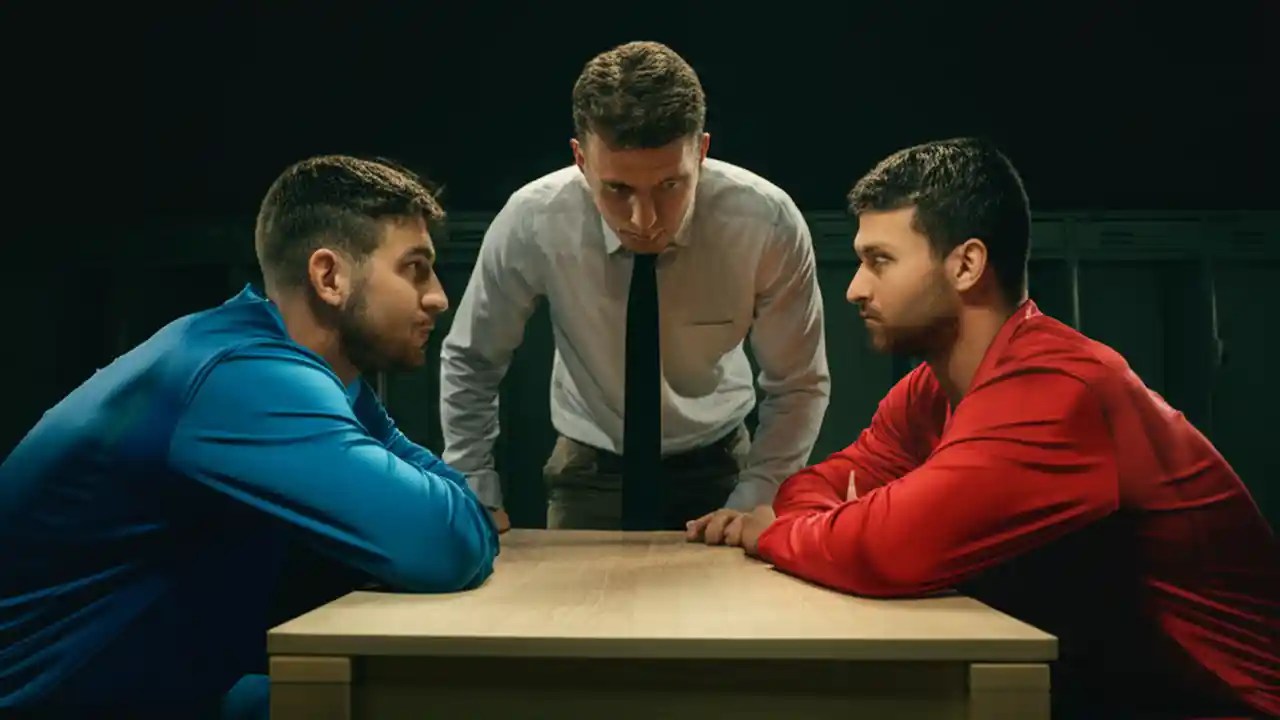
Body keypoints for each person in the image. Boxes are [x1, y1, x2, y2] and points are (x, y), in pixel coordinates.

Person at [689, 138, 1280, 718]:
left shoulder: (1055, 388)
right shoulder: (930, 391)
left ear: (966, 264)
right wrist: (825, 520)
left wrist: (769, 533)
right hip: (1107, 689)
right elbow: (819, 486)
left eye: (880, 261)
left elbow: (888, 547)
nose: (855, 288)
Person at [0, 155, 501, 718]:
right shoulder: (242, 376)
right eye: (415, 268)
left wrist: (462, 515)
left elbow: (444, 497)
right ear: (329, 277)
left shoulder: (305, 373)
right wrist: (463, 518)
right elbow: (441, 543)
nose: (438, 296)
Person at [439, 41, 831, 532]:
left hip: (722, 465)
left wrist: (758, 494)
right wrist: (472, 485)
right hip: (588, 469)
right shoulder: (533, 219)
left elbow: (798, 384)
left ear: (703, 152)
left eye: (670, 185)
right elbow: (473, 360)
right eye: (618, 189)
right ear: (580, 159)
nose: (643, 221)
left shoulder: (766, 222)